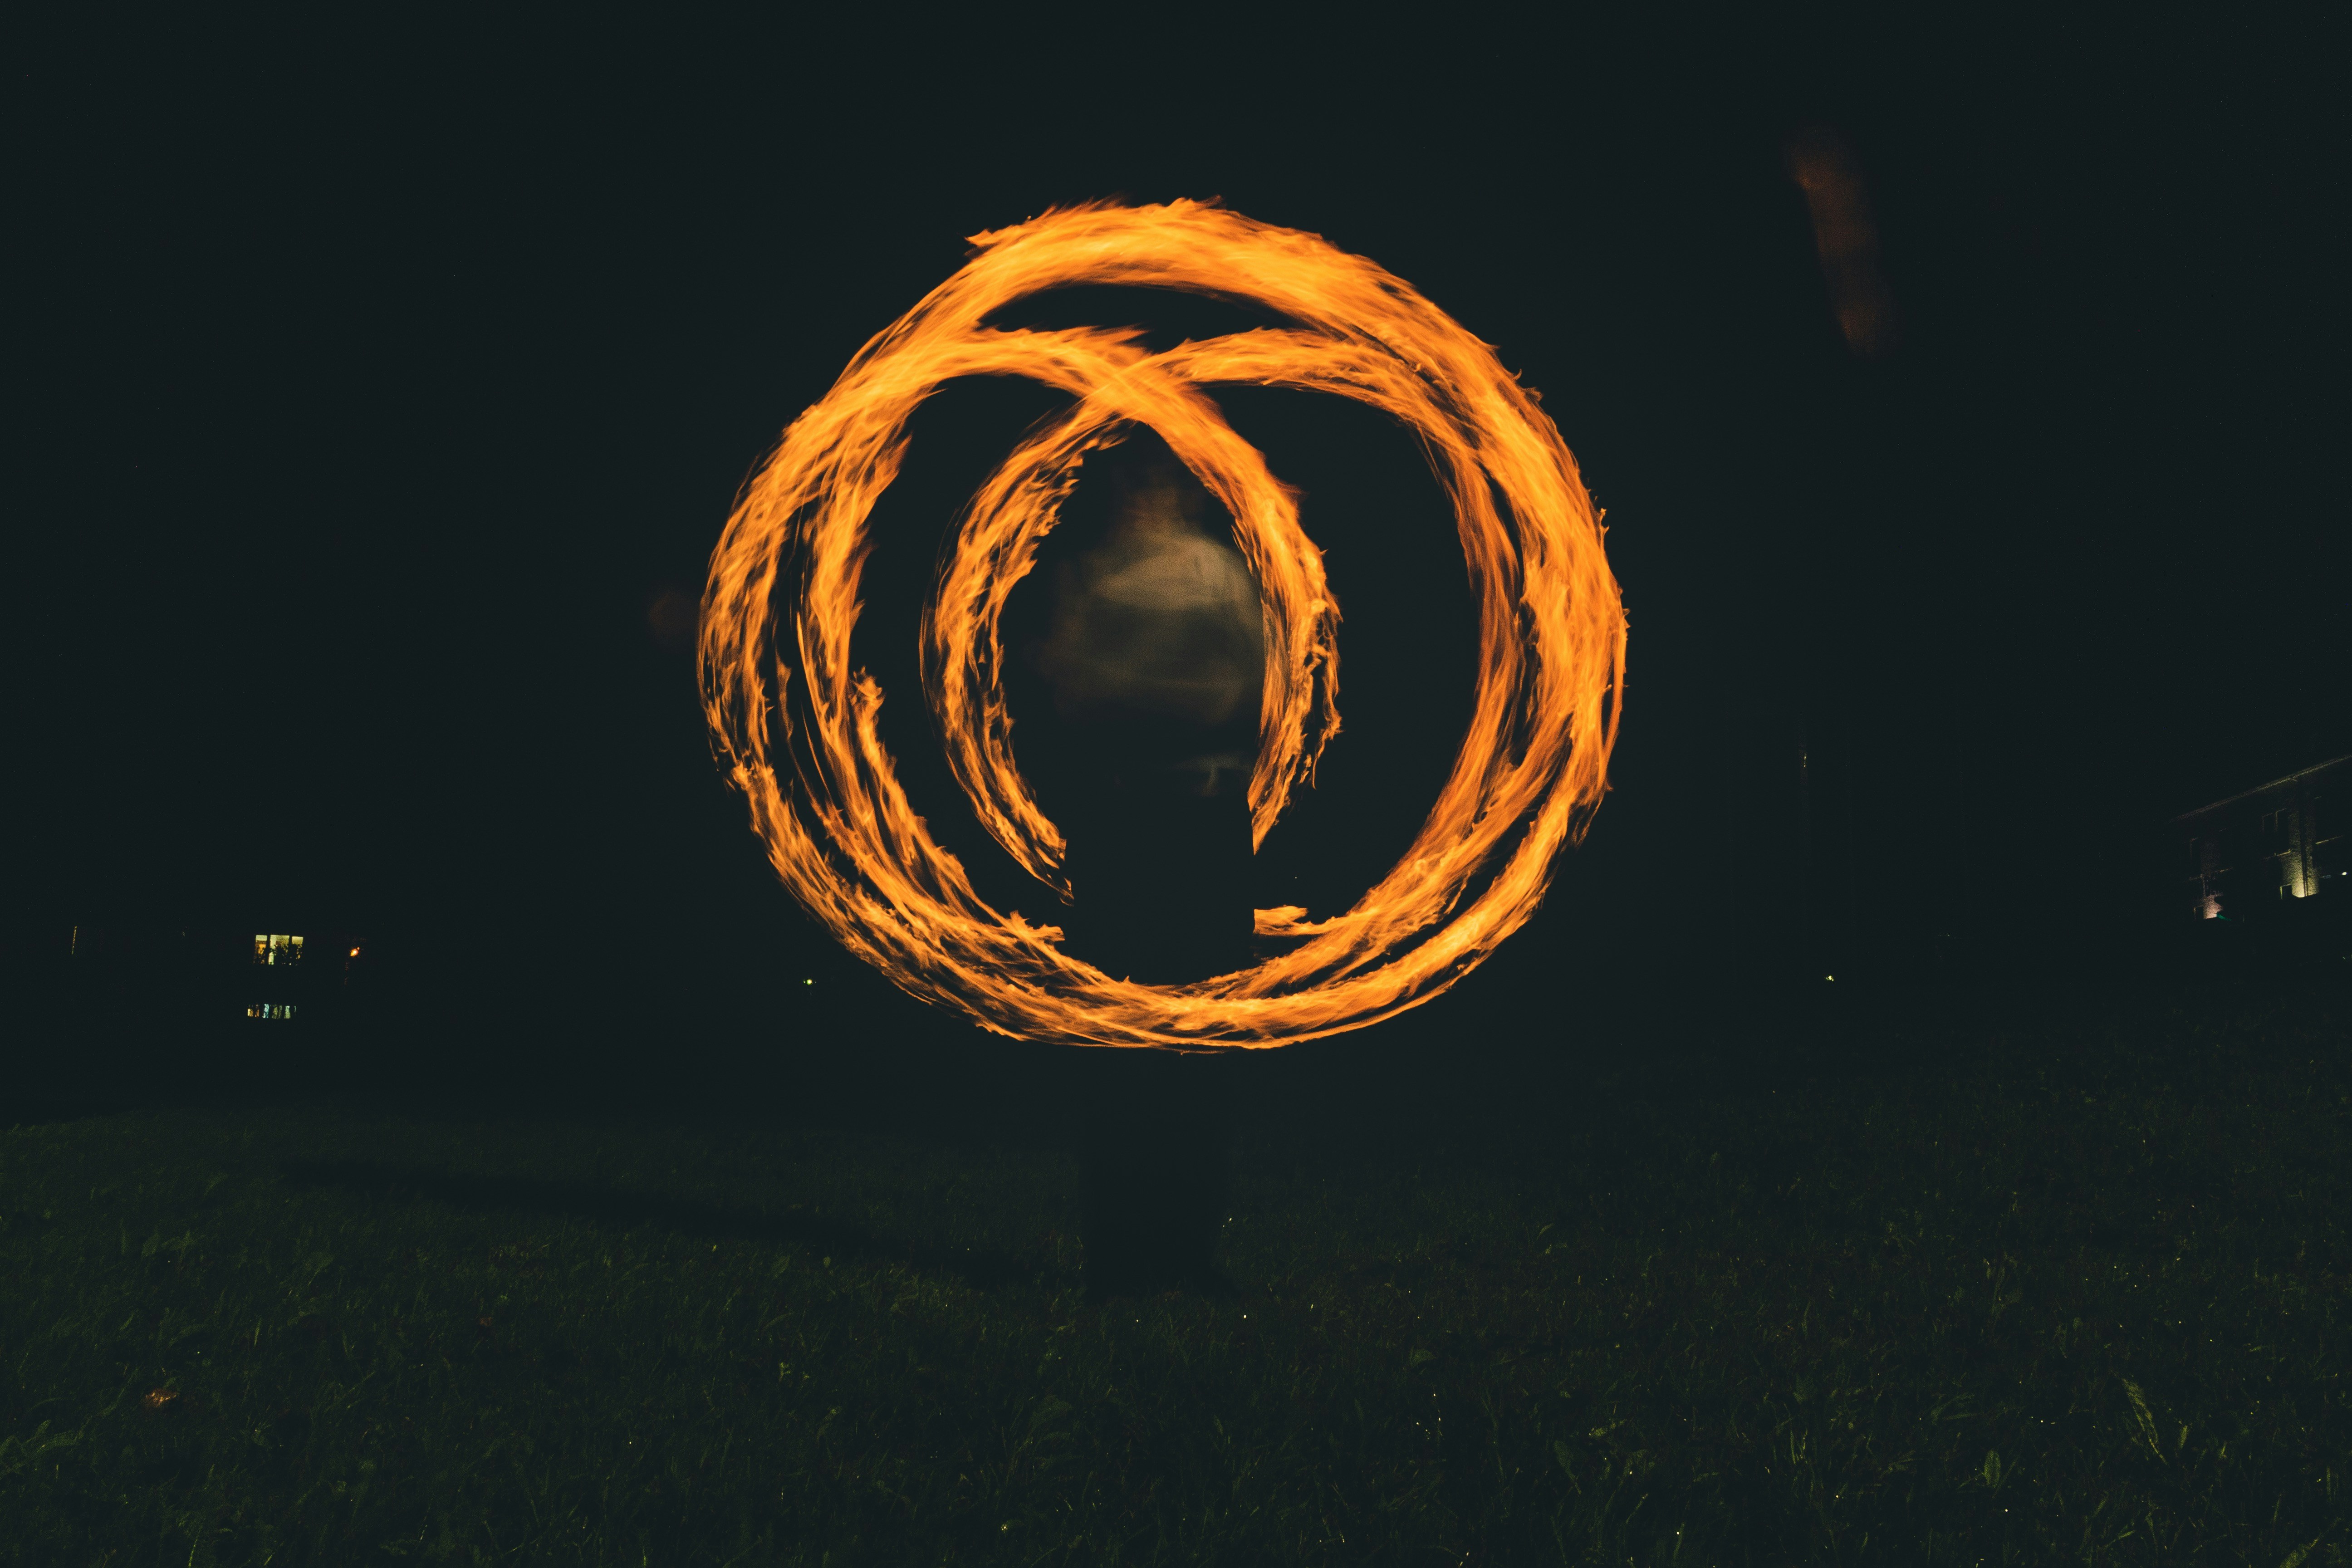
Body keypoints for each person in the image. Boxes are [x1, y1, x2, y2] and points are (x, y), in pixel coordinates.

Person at [1031, 432, 1261, 1296]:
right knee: (1117, 1037)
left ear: (1186, 494)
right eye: (1128, 480)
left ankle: (1188, 1255)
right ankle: (1120, 1255)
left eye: (1156, 481)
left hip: (1199, 825)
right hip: (1121, 824)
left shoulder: (1218, 575)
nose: (1140, 495)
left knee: (1198, 1036)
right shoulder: (1090, 579)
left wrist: (1136, 702)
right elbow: (1069, 692)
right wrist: (1172, 705)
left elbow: (1247, 691)